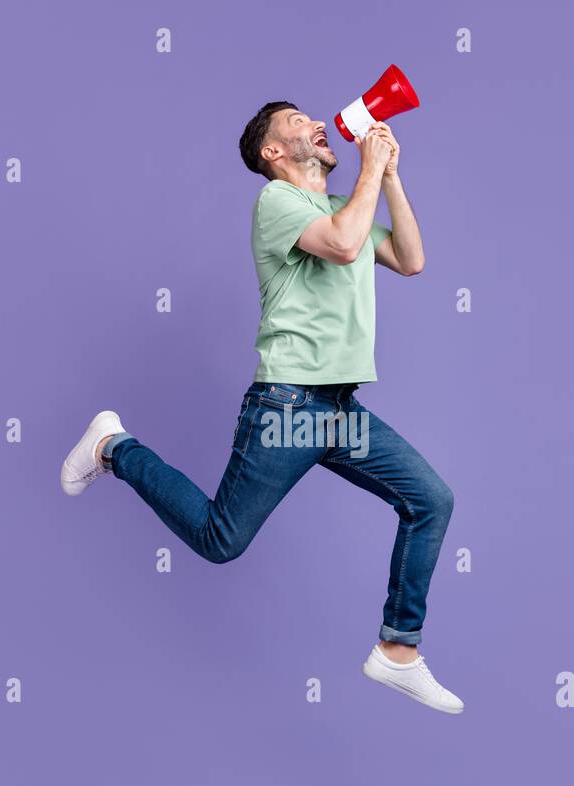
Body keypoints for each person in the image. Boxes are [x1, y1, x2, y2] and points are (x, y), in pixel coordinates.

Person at [61, 101, 462, 714]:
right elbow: (346, 244)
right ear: (272, 152)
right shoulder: (277, 204)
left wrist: (391, 175)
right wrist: (368, 171)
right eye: (297, 121)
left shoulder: (339, 205)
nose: (316, 124)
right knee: (221, 541)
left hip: (338, 409)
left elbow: (411, 260)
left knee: (430, 499)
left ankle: (397, 650)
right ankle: (113, 445)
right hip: (289, 408)